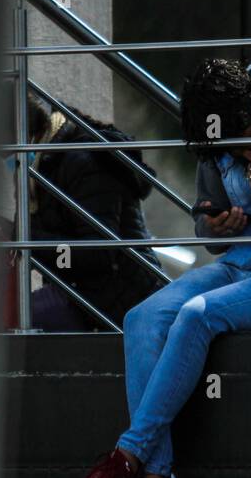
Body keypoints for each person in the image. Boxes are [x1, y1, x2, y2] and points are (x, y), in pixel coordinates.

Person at [66, 58, 251, 478]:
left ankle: (127, 456)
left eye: (243, 146)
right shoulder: (221, 130)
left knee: (195, 315)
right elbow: (206, 225)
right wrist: (213, 225)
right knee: (142, 318)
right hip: (240, 262)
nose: (239, 157)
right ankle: (159, 477)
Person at [21, 93, 166, 331]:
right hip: (87, 295)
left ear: (25, 135)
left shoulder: (83, 161)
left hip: (121, 302)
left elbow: (99, 254)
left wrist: (28, 240)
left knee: (16, 323)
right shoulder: (42, 167)